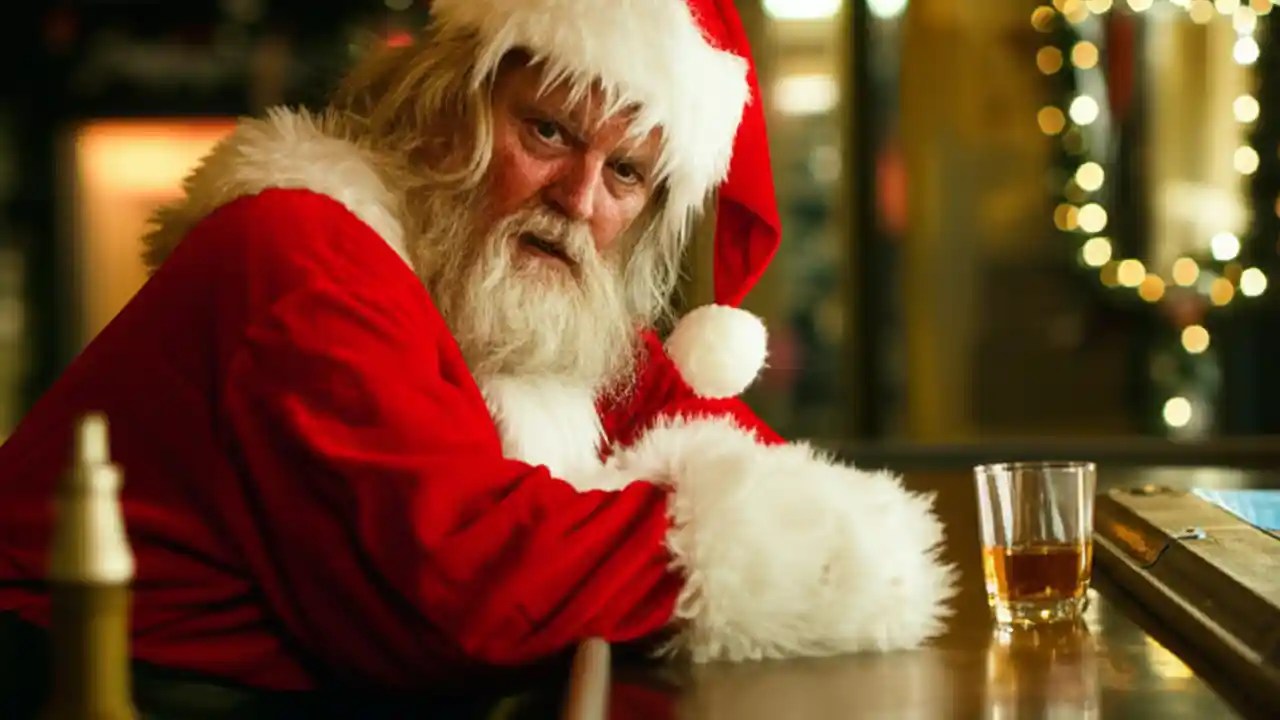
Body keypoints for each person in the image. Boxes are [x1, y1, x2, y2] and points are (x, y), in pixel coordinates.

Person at [0, 0, 956, 695]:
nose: (579, 200)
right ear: (441, 107)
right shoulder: (298, 249)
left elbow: (726, 443)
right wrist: (807, 555)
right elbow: (467, 588)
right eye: (547, 130)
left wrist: (840, 542)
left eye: (625, 172)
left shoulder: (504, 295)